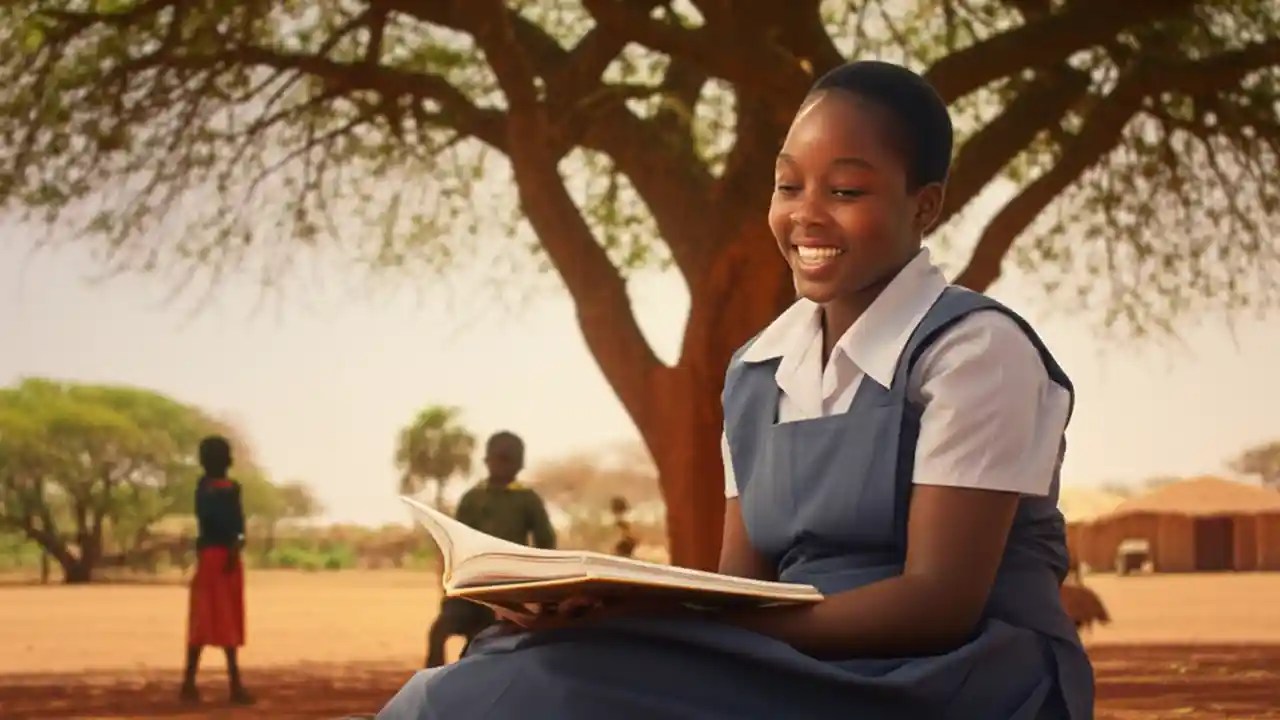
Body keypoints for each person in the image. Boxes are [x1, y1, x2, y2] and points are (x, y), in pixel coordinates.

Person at [378, 60, 1093, 719]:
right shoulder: (758, 371)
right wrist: (602, 608)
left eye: (845, 190)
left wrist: (678, 630)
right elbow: (740, 584)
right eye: (788, 185)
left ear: (924, 205)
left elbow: (939, 604)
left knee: (537, 692)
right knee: (506, 661)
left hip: (949, 675)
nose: (806, 214)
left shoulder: (974, 352)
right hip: (790, 658)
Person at [423, 431, 556, 668]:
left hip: (510, 591)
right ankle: (432, 687)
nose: (502, 465)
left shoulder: (527, 500)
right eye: (498, 458)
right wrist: (449, 590)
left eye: (508, 459)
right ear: (487, 460)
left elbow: (546, 543)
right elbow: (455, 544)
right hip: (472, 587)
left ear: (519, 464)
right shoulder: (472, 499)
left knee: (484, 648)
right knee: (439, 631)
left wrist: (537, 593)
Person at [180, 435, 254, 705]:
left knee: (208, 618)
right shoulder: (220, 489)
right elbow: (233, 525)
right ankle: (232, 686)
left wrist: (235, 546)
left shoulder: (209, 489)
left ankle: (191, 684)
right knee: (221, 619)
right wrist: (235, 548)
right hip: (222, 558)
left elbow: (235, 525)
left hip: (215, 557)